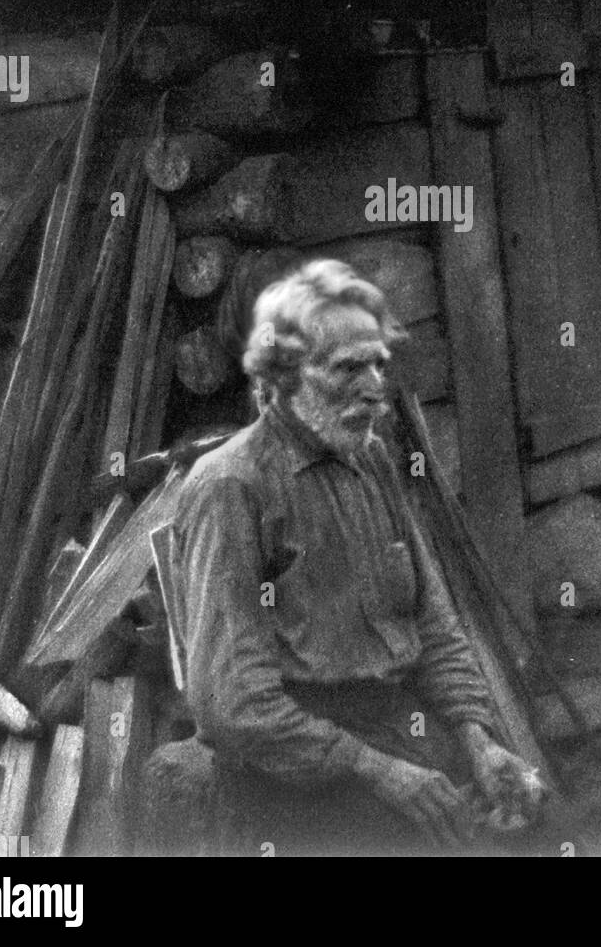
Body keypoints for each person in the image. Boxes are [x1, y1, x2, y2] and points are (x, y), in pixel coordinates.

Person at [171, 259, 545, 855]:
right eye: (347, 368)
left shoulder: (369, 459)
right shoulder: (231, 487)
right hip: (292, 779)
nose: (374, 389)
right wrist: (378, 771)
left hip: (392, 735)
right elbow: (230, 703)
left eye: (378, 364)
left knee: (525, 829)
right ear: (284, 380)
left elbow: (433, 623)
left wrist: (479, 740)